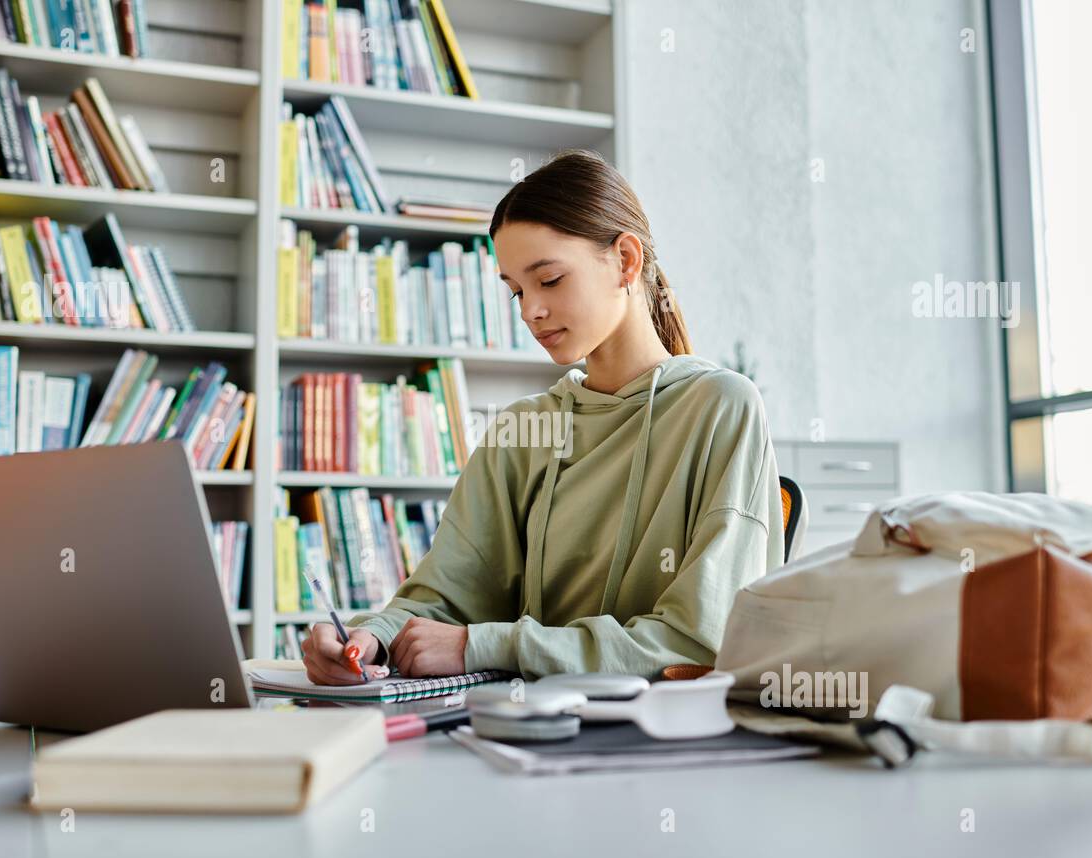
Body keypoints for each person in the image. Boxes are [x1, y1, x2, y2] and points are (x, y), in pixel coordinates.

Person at [301, 148, 784, 684]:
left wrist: (487, 645)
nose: (531, 310)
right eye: (516, 292)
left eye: (549, 280)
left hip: (656, 744)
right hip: (522, 734)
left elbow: (702, 642)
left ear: (626, 260)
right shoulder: (520, 431)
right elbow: (445, 597)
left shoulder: (720, 407)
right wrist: (375, 638)